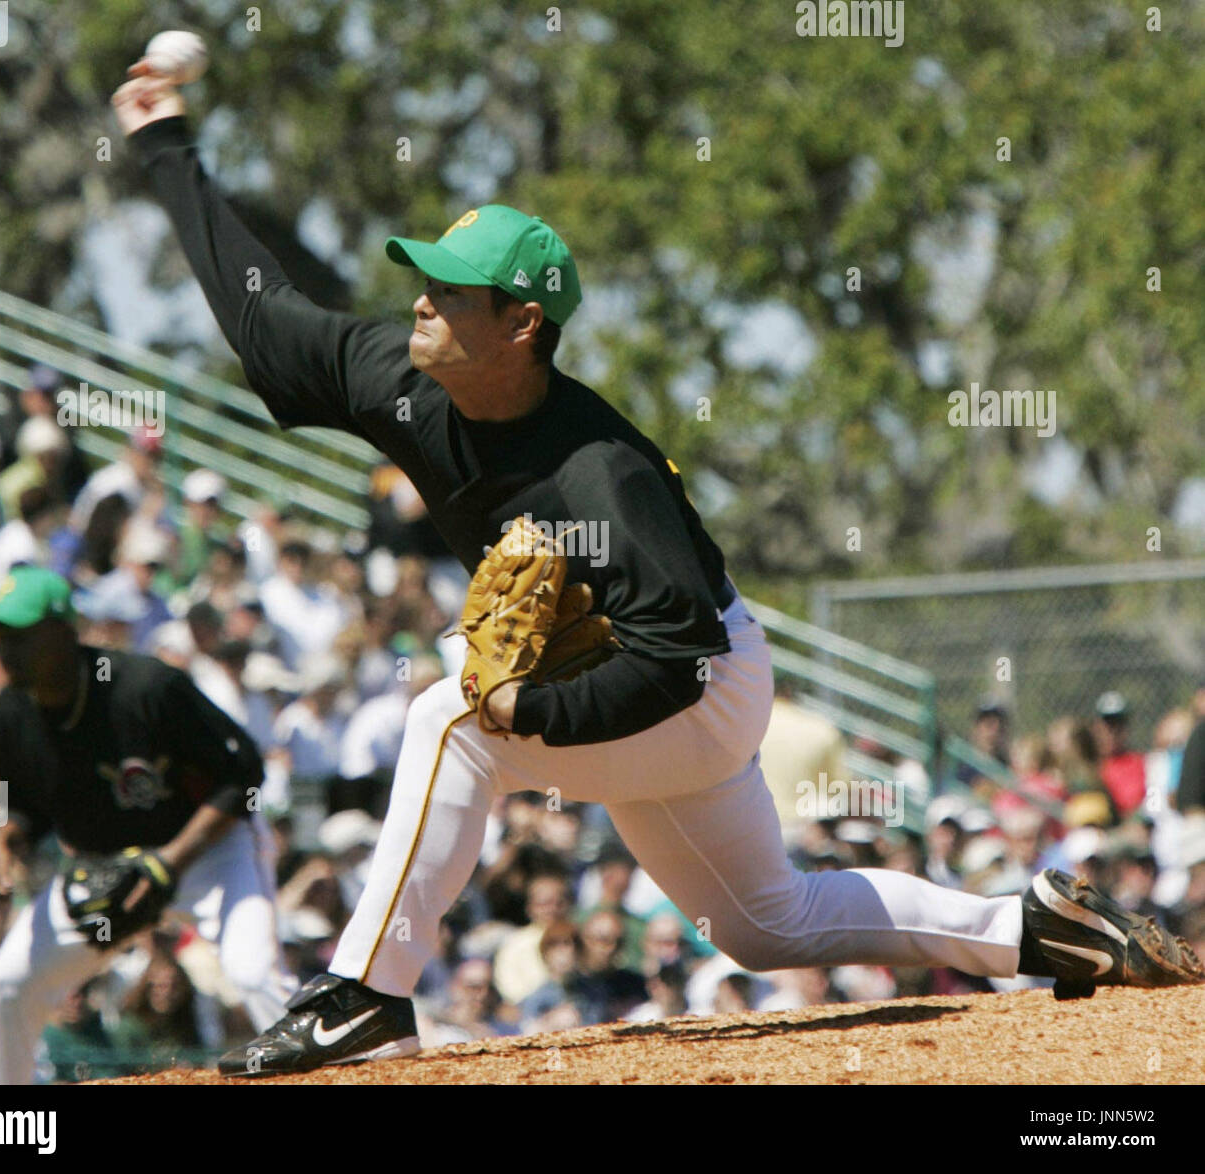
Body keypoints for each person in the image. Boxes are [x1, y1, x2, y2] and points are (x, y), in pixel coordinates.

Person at [110, 65, 1205, 1077]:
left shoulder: (602, 474)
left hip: (703, 683)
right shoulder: (398, 376)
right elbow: (263, 321)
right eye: (424, 281)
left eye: (449, 290)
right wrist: (167, 149)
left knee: (452, 718)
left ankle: (363, 989)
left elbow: (675, 659)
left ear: (521, 323)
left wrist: (531, 705)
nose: (420, 301)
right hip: (655, 687)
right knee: (761, 924)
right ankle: (1043, 927)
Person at [0, 566, 295, 1083]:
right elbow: (29, 805)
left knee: (254, 973)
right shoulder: (7, 717)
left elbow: (243, 774)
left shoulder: (145, 687)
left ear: (64, 630)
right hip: (107, 877)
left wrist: (171, 861)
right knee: (8, 983)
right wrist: (8, 834)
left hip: (209, 852)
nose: (6, 650)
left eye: (21, 636)